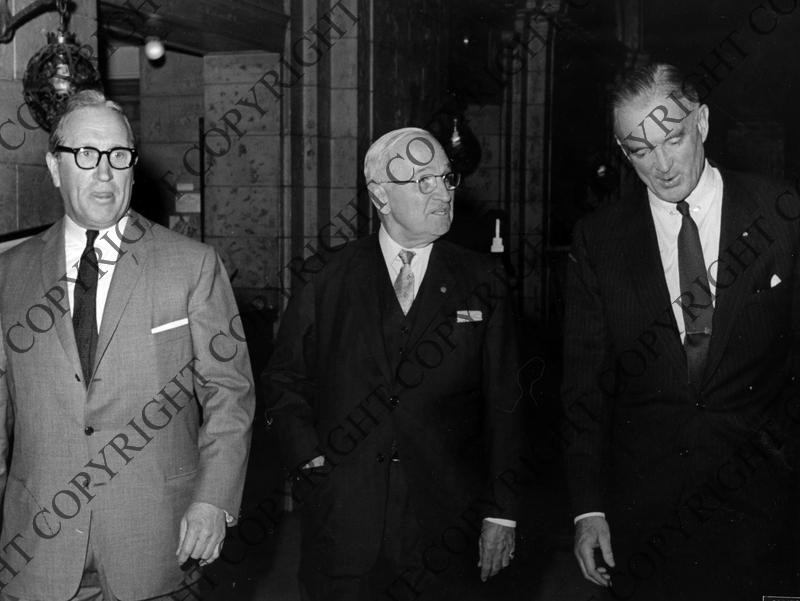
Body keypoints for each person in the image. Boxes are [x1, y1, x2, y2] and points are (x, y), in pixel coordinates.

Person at [0, 90, 255, 600]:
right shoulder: (10, 272)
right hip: (37, 547)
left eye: (119, 156)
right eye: (86, 155)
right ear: (54, 167)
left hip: (158, 541)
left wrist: (212, 500)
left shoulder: (191, 265)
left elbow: (230, 392)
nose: (104, 172)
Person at [563, 62, 800, 600]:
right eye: (640, 150)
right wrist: (588, 507)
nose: (663, 165)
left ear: (703, 123)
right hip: (641, 513)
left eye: (672, 138)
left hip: (766, 506)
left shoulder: (783, 215)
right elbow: (584, 388)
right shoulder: (598, 240)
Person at [263, 127, 525, 600]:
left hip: (445, 522)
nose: (442, 193)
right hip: (344, 518)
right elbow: (285, 380)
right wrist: (310, 461)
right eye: (422, 182)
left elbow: (507, 405)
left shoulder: (483, 279)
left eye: (446, 179)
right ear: (381, 195)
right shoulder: (326, 276)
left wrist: (501, 511)